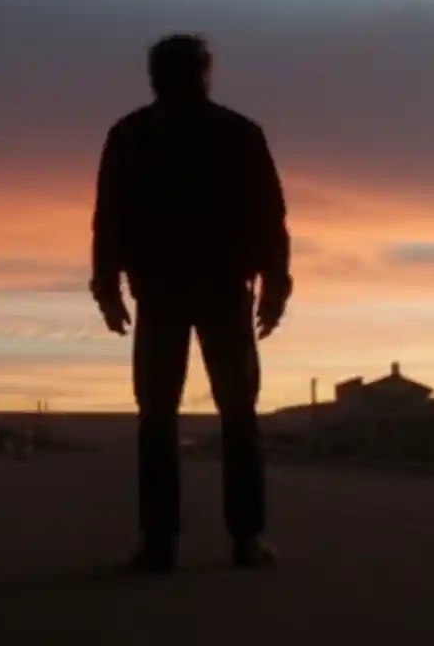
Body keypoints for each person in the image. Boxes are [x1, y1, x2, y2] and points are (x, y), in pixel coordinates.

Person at [90, 34, 292, 572]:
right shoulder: (140, 135)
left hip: (209, 291)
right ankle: (204, 539)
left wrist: (276, 282)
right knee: (188, 416)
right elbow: (109, 215)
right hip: (176, 292)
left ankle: (184, 540)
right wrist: (105, 283)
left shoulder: (221, 134)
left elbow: (269, 215)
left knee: (200, 416)